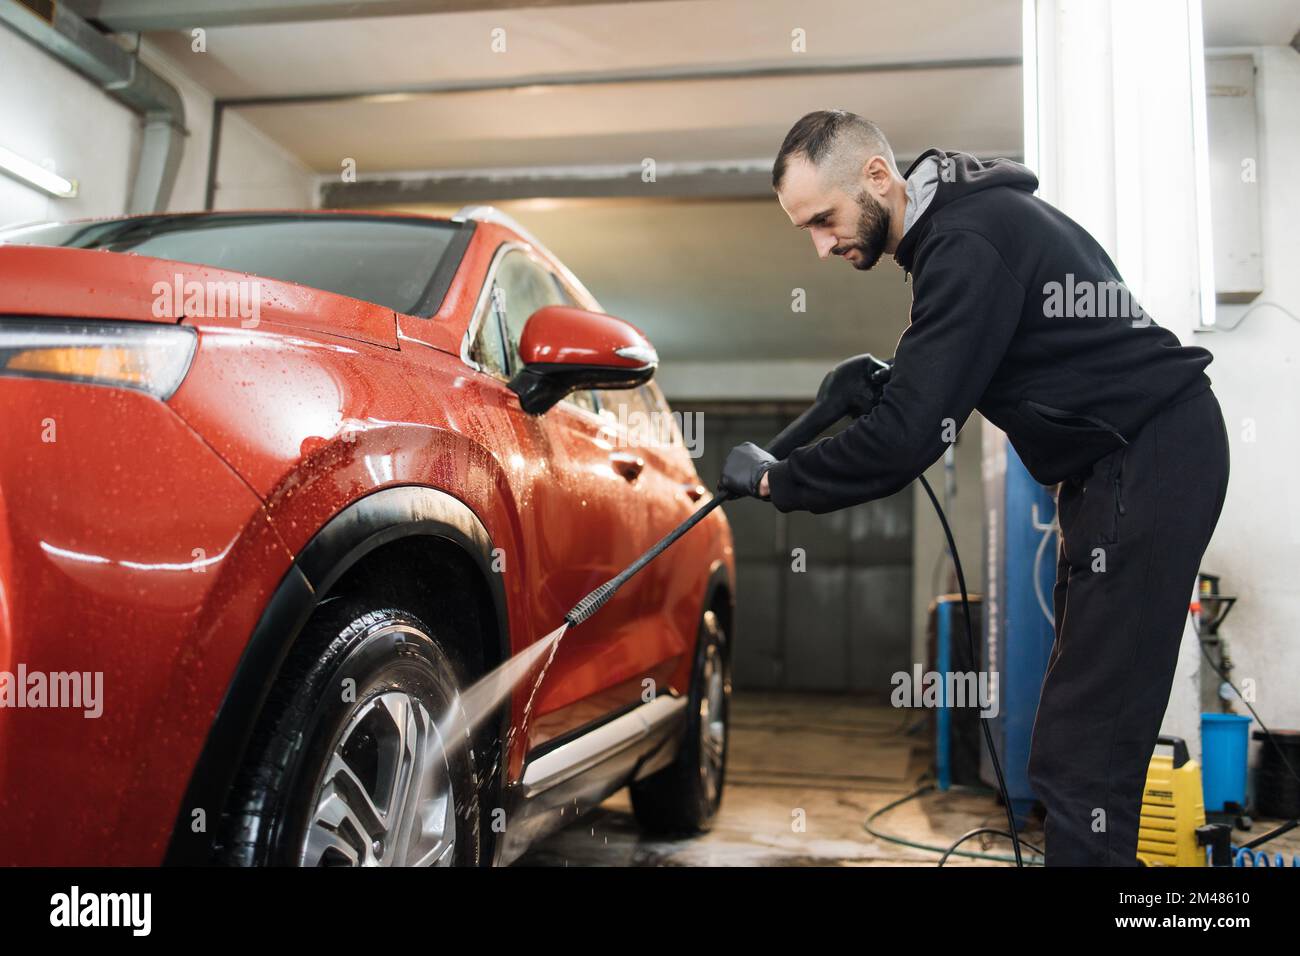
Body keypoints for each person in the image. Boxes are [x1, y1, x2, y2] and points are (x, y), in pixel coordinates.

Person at [720, 109, 1230, 866]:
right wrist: (899, 381)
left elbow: (903, 444)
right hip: (1126, 463)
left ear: (876, 176)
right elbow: (1001, 352)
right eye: (808, 230)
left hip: (1148, 456)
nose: (822, 247)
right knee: (1077, 742)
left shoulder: (966, 242)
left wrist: (775, 480)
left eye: (823, 220)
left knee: (1086, 754)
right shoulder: (968, 228)